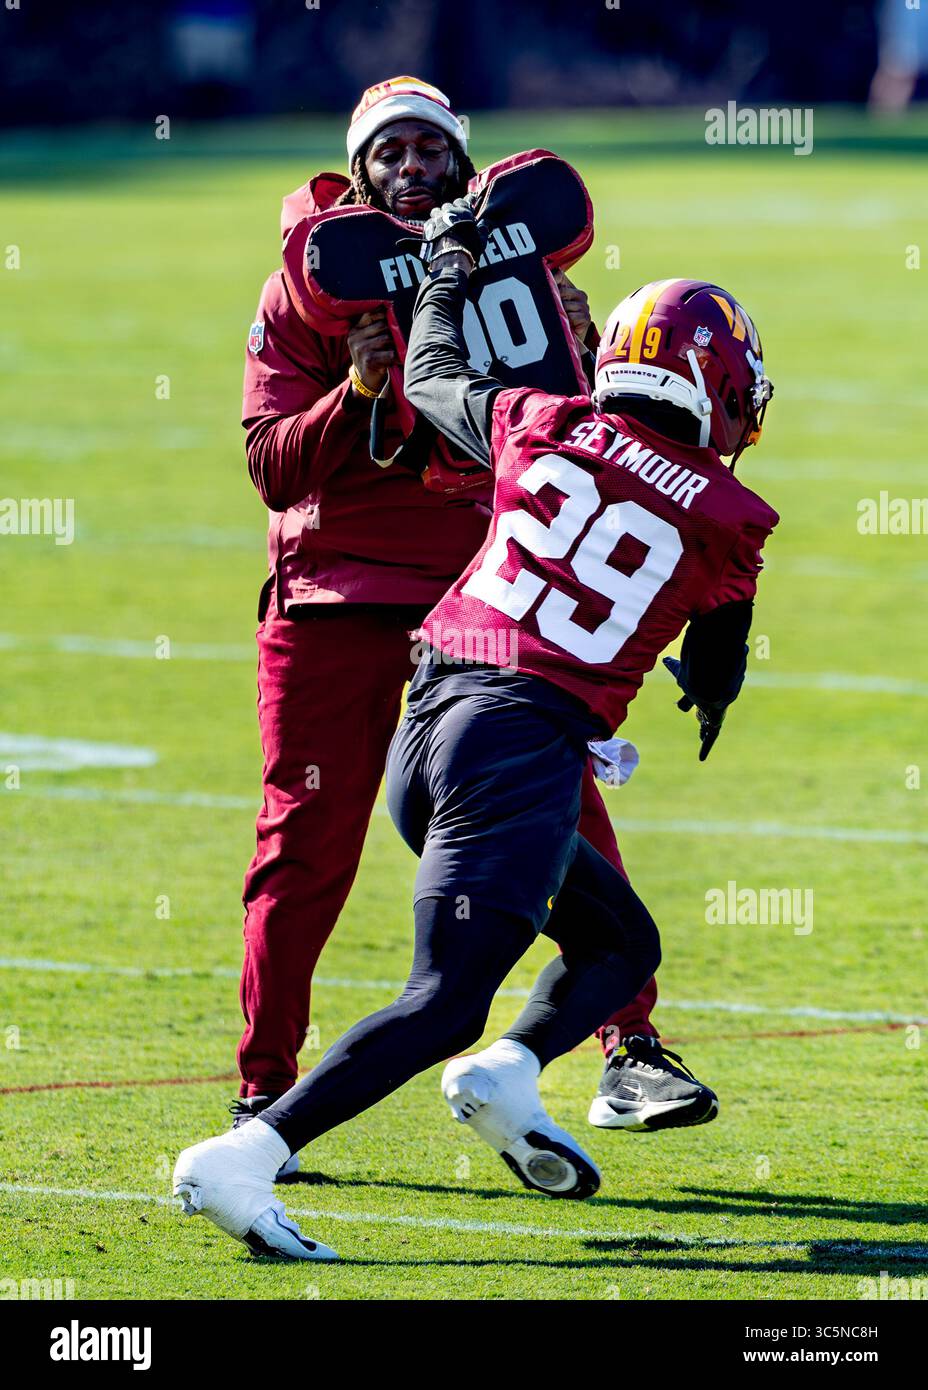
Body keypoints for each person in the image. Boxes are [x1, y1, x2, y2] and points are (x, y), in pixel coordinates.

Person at [173, 200, 778, 1261]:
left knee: (618, 940)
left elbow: (436, 369)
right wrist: (706, 691)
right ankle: (246, 1153)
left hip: (429, 722)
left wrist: (445, 269)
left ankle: (504, 1078)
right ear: (721, 392)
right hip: (519, 748)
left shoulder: (536, 422)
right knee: (444, 997)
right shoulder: (730, 518)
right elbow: (719, 663)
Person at [234, 74, 708, 1175]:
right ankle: (264, 1086)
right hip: (336, 588)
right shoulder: (311, 283)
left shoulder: (521, 265)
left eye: (430, 150)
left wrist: (597, 367)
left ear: (461, 162)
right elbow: (268, 465)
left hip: (483, 587)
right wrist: (351, 399)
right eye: (389, 151)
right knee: (304, 842)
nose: (411, 169)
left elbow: (586, 447)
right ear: (359, 170)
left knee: (567, 805)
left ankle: (629, 1048)